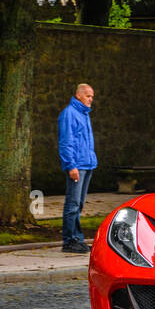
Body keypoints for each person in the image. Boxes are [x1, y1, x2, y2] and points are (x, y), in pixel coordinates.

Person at [57, 83, 97, 253]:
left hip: (87, 164)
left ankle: (77, 238)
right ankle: (69, 240)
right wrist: (71, 165)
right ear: (79, 95)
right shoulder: (70, 114)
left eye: (92, 97)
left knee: (78, 204)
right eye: (88, 96)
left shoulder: (84, 114)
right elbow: (66, 142)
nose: (91, 99)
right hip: (77, 165)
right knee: (72, 203)